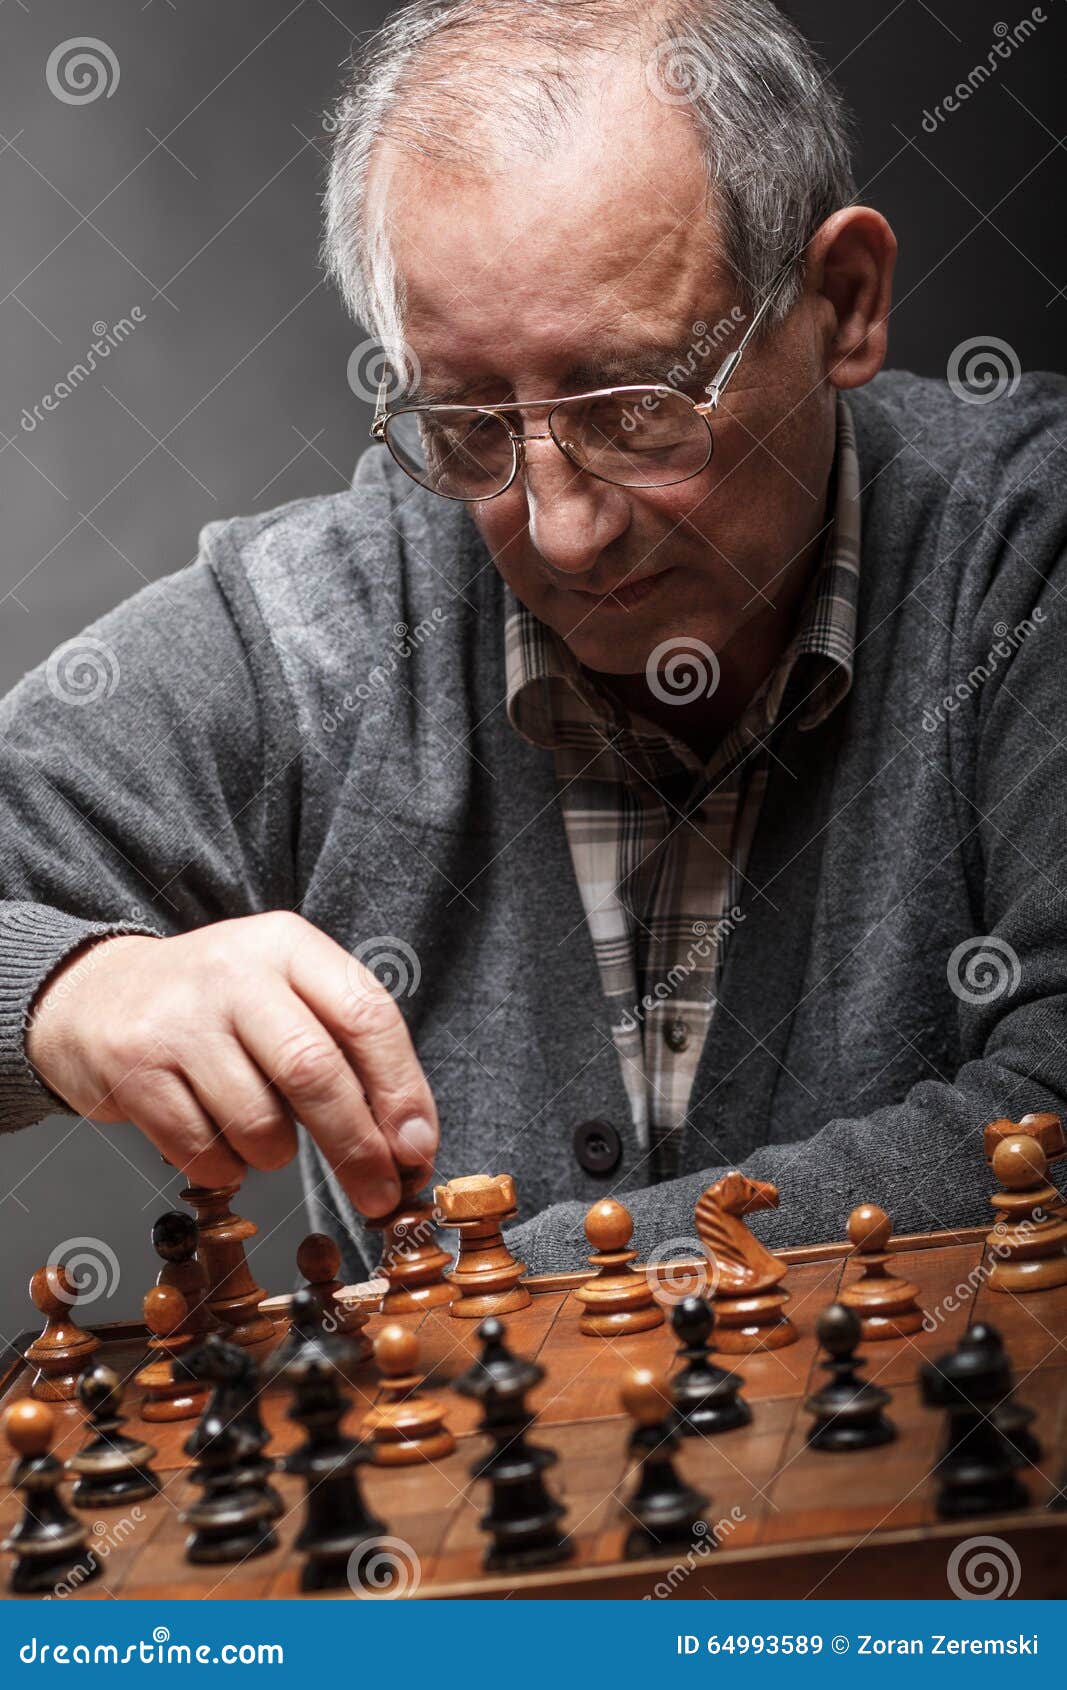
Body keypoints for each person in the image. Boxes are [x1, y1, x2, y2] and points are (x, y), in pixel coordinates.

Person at [2, 0, 1065, 1280]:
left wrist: (507, 1288)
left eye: (630, 408)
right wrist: (64, 987)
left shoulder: (1031, 554)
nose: (560, 534)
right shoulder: (313, 627)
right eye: (466, 426)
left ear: (841, 302)